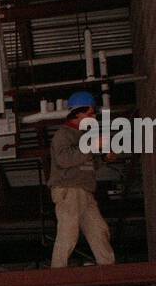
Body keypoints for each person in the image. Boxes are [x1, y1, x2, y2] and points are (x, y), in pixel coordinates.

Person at [49, 91, 116, 268]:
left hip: (85, 191)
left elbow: (89, 164)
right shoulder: (63, 134)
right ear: (78, 113)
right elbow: (64, 160)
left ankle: (108, 269)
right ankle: (57, 273)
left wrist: (104, 158)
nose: (93, 116)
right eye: (90, 113)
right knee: (68, 232)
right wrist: (93, 146)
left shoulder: (84, 136)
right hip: (69, 189)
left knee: (99, 230)